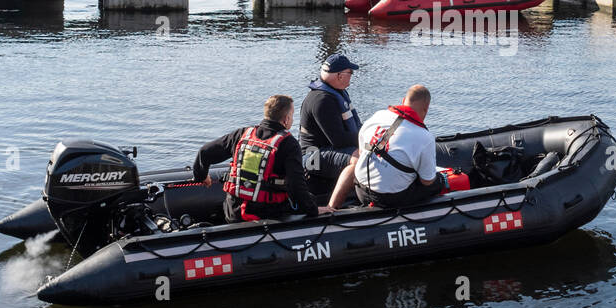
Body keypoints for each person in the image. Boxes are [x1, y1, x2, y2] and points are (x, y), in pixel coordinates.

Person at [191, 94, 329, 223]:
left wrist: (201, 176)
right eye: (292, 115)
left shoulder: (241, 135)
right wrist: (314, 210)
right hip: (267, 214)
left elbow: (204, 152)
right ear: (286, 119)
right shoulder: (289, 144)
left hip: (233, 212)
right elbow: (296, 186)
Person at [327, 84, 447, 211]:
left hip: (361, 189)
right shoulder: (424, 137)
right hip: (391, 198)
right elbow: (426, 181)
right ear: (426, 109)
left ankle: (332, 208)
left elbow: (363, 151)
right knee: (438, 181)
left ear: (403, 101)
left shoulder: (378, 115)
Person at [298, 53, 362, 198]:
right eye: (350, 73)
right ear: (339, 76)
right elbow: (339, 140)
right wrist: (366, 139)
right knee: (358, 158)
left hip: (329, 149)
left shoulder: (337, 93)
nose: (352, 76)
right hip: (312, 157)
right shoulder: (322, 100)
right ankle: (335, 203)